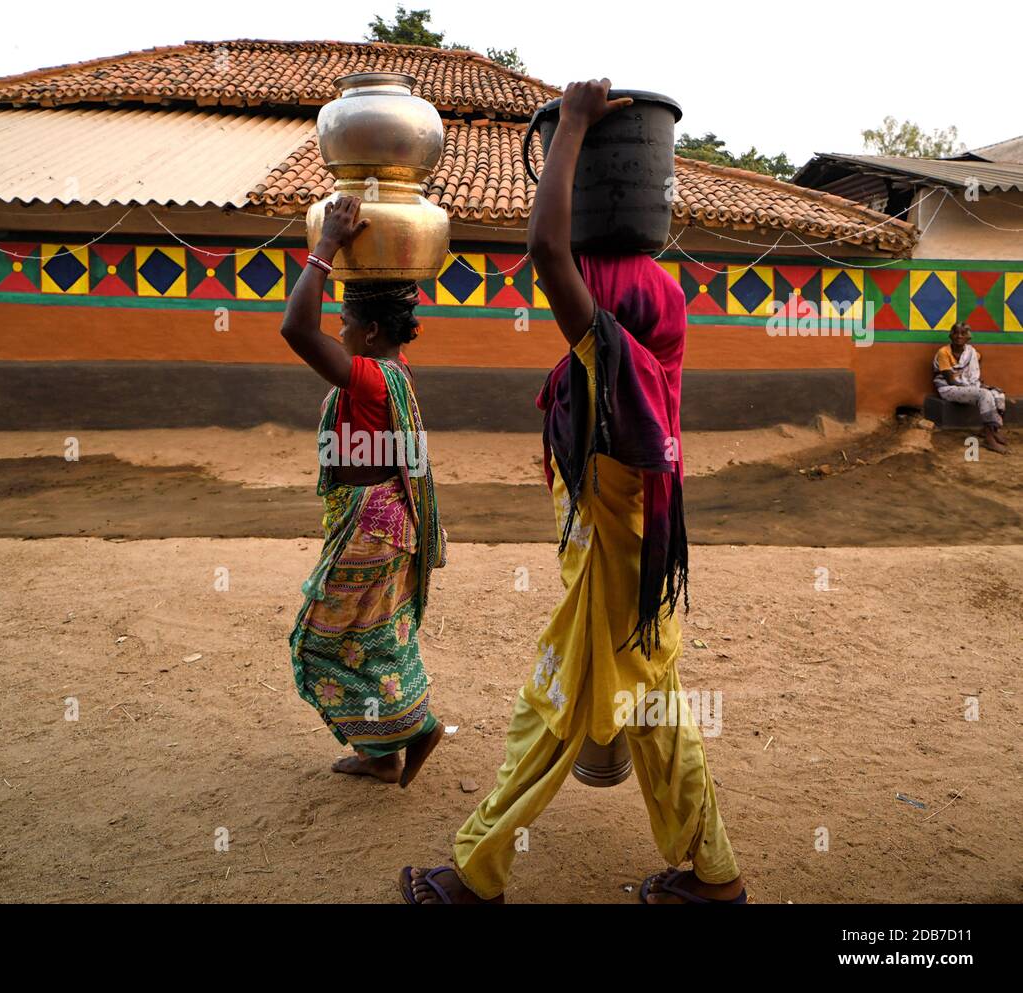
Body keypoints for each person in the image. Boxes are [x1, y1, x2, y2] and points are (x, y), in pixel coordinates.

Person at [400, 79, 747, 904]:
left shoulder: (611, 348)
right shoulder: (639, 356)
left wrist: (577, 126)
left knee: (549, 709)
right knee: (659, 719)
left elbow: (549, 251)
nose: (567, 301)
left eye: (585, 291)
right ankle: (713, 876)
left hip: (615, 570)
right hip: (633, 563)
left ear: (607, 305)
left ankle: (472, 875)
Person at [280, 195, 447, 788]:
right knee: (368, 639)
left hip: (371, 528)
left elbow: (296, 328)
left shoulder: (372, 377)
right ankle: (381, 755)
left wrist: (324, 248)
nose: (339, 330)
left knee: (320, 644)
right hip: (386, 523)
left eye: (346, 323)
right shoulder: (392, 374)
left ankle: (417, 726)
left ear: (370, 330)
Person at [934, 323, 1008, 453]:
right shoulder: (943, 352)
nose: (959, 336)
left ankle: (990, 430)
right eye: (956, 333)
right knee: (984, 394)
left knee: (998, 394)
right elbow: (951, 380)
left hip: (967, 386)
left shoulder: (971, 352)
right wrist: (975, 387)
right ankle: (989, 440)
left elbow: (975, 366)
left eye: (963, 334)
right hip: (948, 388)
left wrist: (977, 383)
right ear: (951, 335)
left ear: (968, 337)